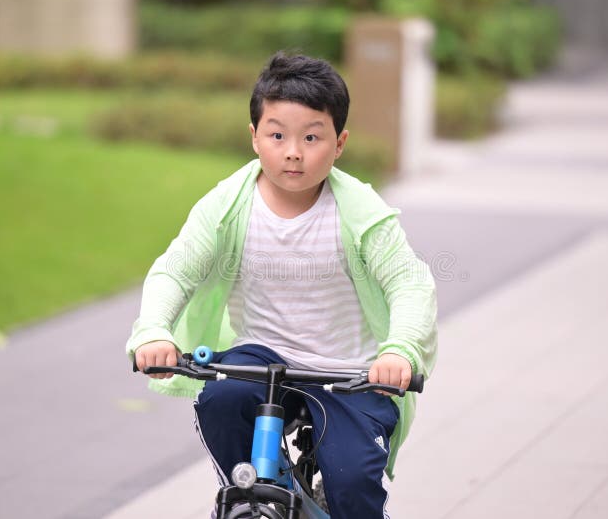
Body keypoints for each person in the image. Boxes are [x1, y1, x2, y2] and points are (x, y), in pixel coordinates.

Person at [127, 52, 437, 518]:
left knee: (352, 480)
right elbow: (175, 271)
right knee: (221, 399)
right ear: (254, 138)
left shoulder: (360, 213)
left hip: (347, 372)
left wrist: (399, 351)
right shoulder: (227, 206)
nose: (293, 151)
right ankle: (250, 498)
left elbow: (409, 285)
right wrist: (153, 331)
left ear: (340, 143)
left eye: (312, 137)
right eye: (277, 135)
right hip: (262, 354)